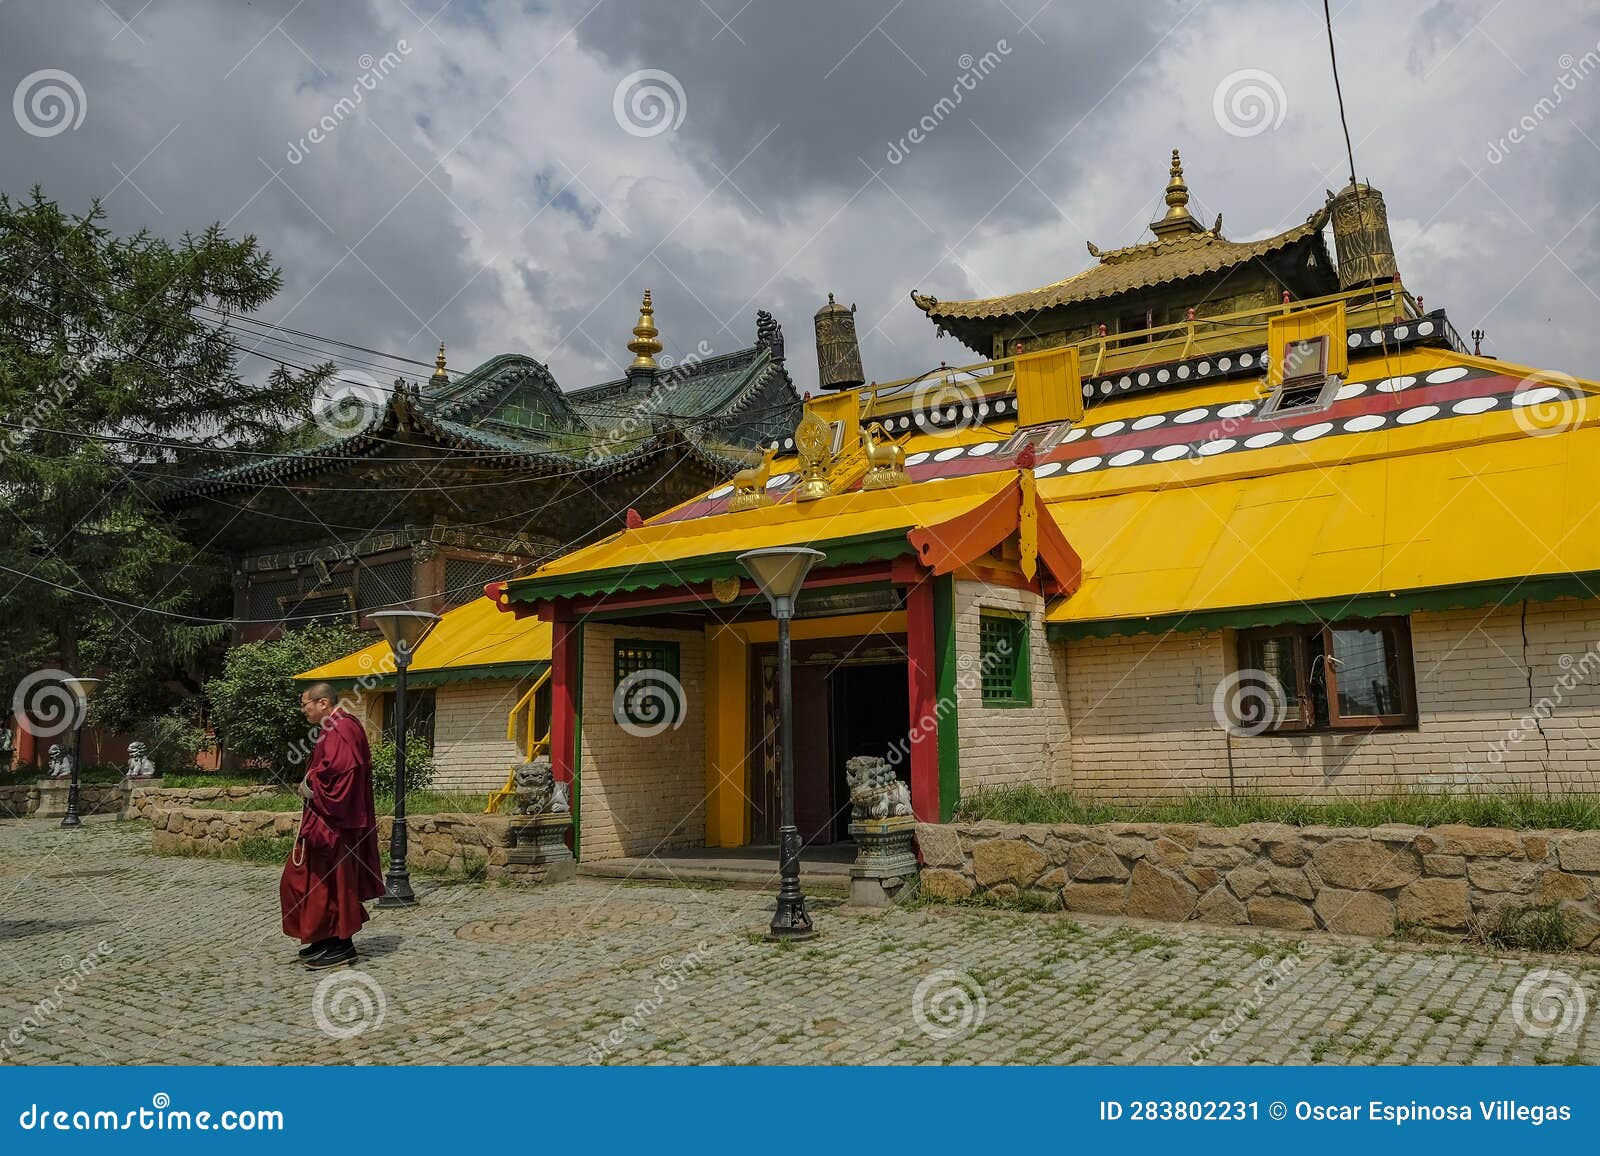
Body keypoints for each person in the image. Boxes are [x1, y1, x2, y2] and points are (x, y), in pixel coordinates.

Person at [280, 682, 384, 970]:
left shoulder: (342, 728)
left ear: (323, 703)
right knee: (310, 881)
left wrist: (312, 786)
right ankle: (325, 937)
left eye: (305, 704)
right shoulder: (333, 727)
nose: (303, 710)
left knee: (333, 883)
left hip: (337, 823)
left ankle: (343, 944)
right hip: (326, 820)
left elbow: (344, 773)